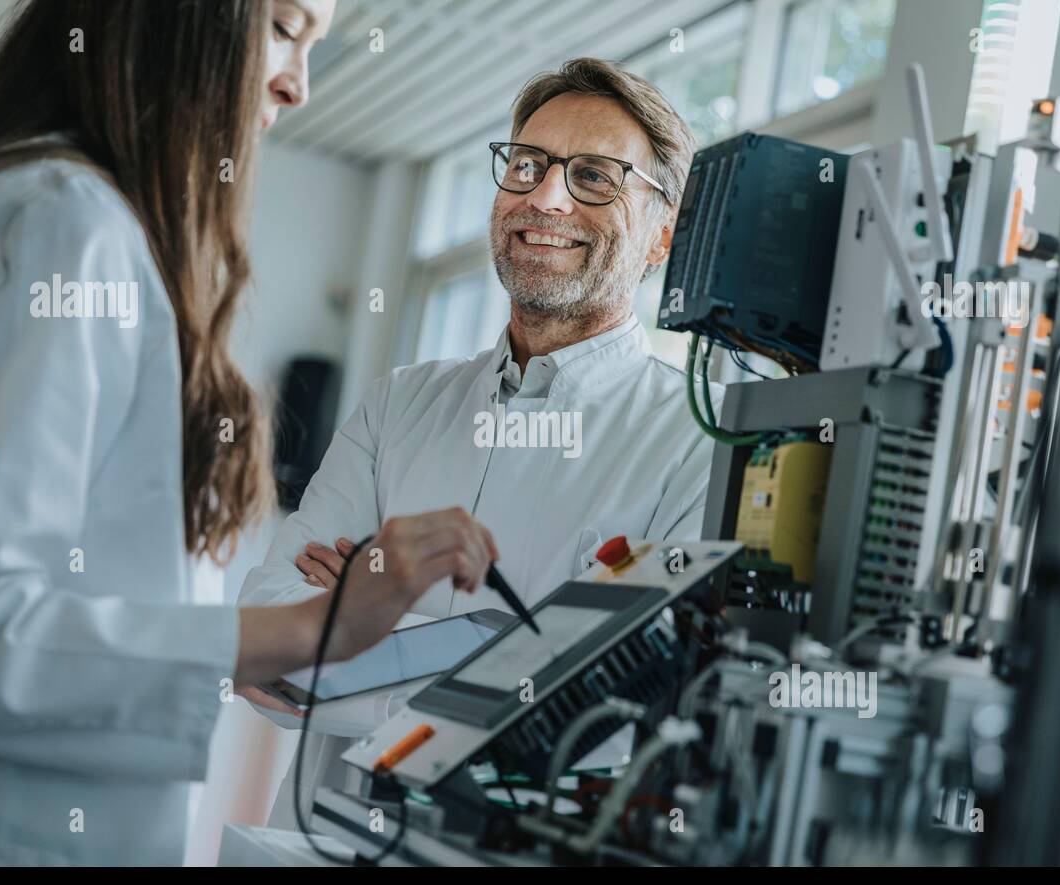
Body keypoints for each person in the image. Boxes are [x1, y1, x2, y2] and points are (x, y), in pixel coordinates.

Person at [0, 0, 497, 866]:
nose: (298, 84)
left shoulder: (85, 224)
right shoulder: (65, 223)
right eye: (284, 28)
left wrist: (257, 648)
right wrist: (316, 627)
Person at [239, 59, 720, 826]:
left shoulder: (703, 439)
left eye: (594, 176)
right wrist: (521, 651)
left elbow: (610, 725)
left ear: (662, 234)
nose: (545, 196)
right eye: (528, 165)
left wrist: (359, 622)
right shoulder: (399, 402)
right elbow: (267, 641)